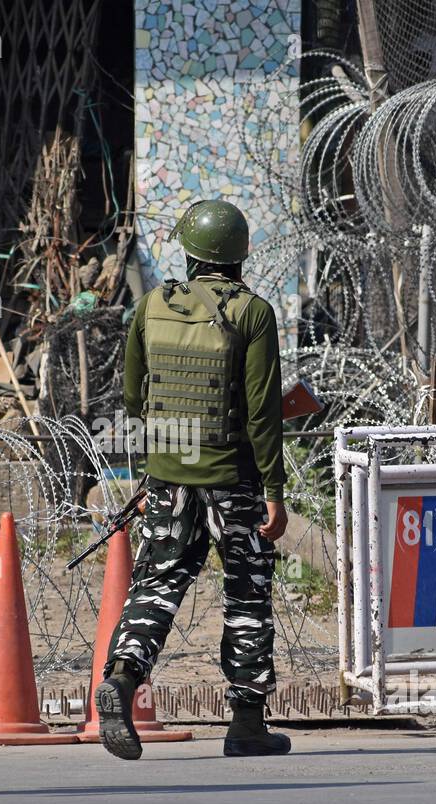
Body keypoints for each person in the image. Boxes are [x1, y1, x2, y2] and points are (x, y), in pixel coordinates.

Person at [96, 199, 291, 760]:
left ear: (189, 252)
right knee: (247, 592)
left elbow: (134, 399)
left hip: (168, 474)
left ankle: (122, 682)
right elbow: (262, 414)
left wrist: (160, 463)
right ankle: (247, 723)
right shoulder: (253, 314)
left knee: (156, 585)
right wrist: (273, 492)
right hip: (234, 479)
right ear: (240, 254)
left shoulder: (151, 306)